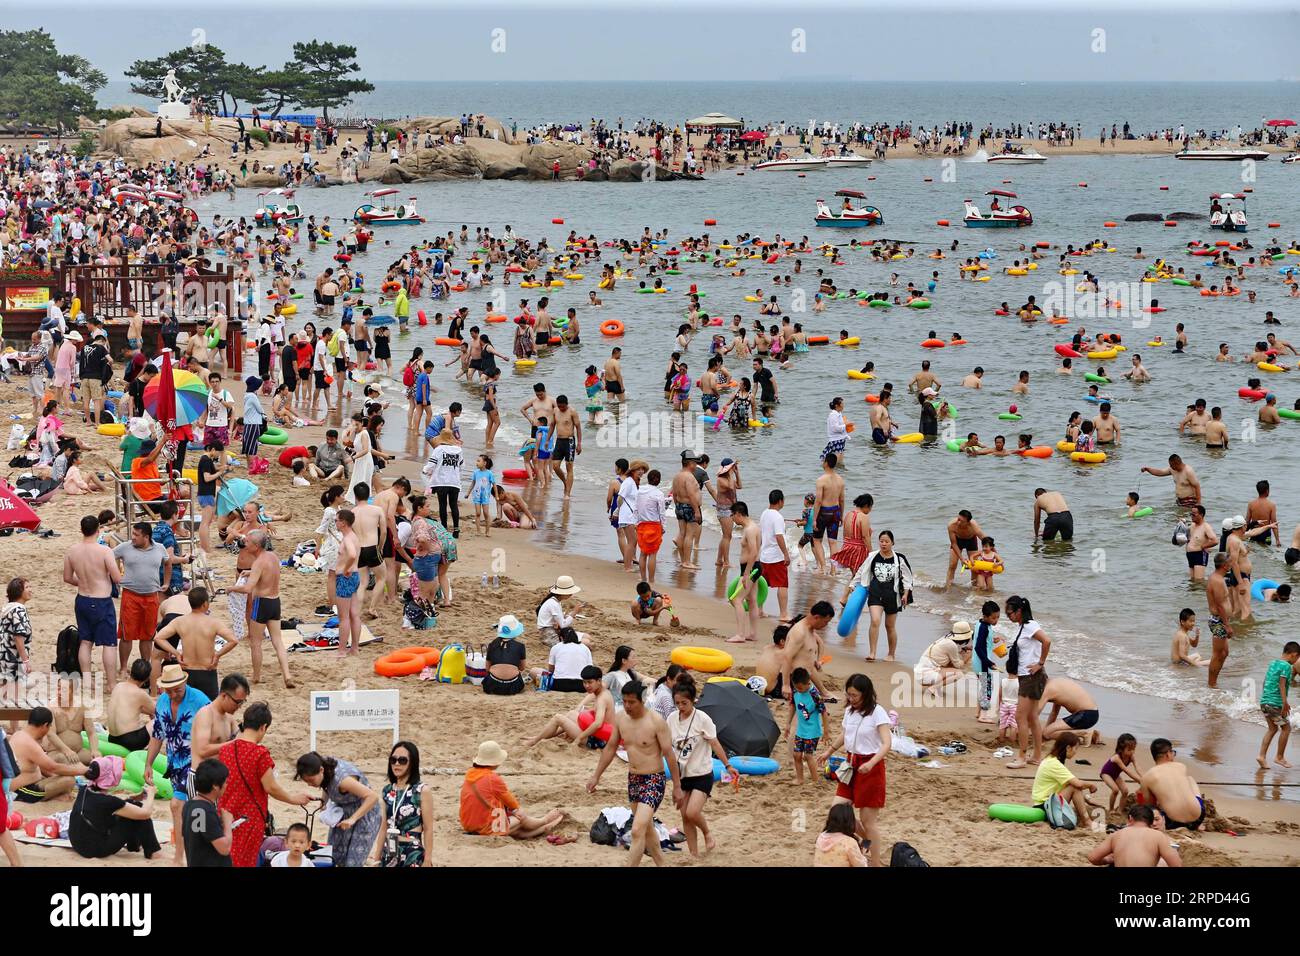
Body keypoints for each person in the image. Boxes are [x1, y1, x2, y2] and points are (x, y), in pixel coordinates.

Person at [586, 681, 679, 867]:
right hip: (633, 779)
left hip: (654, 779)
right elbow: (611, 747)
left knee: (637, 830)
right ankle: (662, 864)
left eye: (632, 702)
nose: (627, 706)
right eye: (625, 701)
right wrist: (596, 775)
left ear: (642, 700)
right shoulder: (621, 719)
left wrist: (677, 786)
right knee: (647, 828)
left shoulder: (656, 722)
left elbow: (669, 754)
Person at [219, 701, 312, 867]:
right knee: (245, 860)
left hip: (225, 814)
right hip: (249, 818)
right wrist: (294, 798)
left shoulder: (226, 749)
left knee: (228, 857)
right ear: (263, 727)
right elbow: (271, 787)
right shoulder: (259, 753)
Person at [817, 673, 891, 867]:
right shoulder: (850, 711)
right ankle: (867, 843)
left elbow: (886, 743)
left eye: (855, 695)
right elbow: (845, 734)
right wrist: (829, 751)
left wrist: (872, 762)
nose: (851, 699)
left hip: (870, 768)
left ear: (866, 694)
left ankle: (875, 862)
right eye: (848, 694)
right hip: (850, 765)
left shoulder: (877, 712)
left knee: (868, 821)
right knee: (837, 810)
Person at [145, 665, 210, 865]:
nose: (173, 694)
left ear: (185, 683)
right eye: (169, 690)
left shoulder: (200, 700)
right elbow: (157, 734)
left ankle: (180, 857)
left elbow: (220, 724)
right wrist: (149, 763)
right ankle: (195, 852)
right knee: (194, 809)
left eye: (177, 690)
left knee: (177, 805)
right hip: (174, 762)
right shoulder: (162, 701)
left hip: (197, 761)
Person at [666, 674, 733, 858]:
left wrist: (727, 765)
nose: (680, 707)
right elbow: (667, 748)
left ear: (693, 701)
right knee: (685, 816)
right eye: (677, 703)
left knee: (693, 812)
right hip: (682, 775)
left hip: (702, 773)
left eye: (684, 703)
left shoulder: (702, 719)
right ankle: (694, 854)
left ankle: (707, 832)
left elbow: (715, 743)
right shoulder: (671, 719)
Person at [229, 529, 295, 688]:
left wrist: (231, 588)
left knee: (255, 642)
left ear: (256, 546)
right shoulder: (273, 557)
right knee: (278, 641)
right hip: (275, 601)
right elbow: (267, 572)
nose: (245, 544)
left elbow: (248, 589)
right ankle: (287, 675)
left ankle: (256, 676)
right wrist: (250, 572)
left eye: (248, 542)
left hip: (262, 604)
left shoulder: (258, 562)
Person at [459, 740, 564, 839]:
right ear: (495, 762)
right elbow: (509, 800)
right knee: (520, 818)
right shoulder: (492, 778)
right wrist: (516, 810)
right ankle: (543, 821)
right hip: (486, 827)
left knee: (514, 828)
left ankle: (542, 829)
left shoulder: (470, 774)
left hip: (469, 825)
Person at [294, 751, 382, 867]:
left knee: (353, 861)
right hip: (343, 812)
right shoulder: (322, 766)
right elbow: (326, 785)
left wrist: (353, 819)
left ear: (321, 770)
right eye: (306, 782)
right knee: (335, 856)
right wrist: (323, 803)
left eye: (311, 780)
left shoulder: (343, 780)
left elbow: (373, 797)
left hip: (365, 813)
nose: (309, 785)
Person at [64, 513, 121, 685]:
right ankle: (111, 684)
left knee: (86, 641)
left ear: (81, 530)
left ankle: (87, 683)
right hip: (101, 600)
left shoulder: (72, 551)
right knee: (109, 644)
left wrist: (82, 581)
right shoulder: (104, 551)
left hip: (82, 598)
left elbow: (67, 577)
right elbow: (117, 578)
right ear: (98, 530)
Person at [69, 755, 162, 861]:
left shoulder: (84, 790)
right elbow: (145, 813)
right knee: (140, 813)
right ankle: (153, 852)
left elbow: (111, 805)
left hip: (78, 844)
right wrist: (151, 793)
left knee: (132, 804)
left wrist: (137, 797)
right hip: (95, 849)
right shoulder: (108, 802)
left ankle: (134, 846)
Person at [113, 520, 170, 678]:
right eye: (133, 534)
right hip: (130, 595)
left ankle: (145, 666)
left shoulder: (160, 548)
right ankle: (123, 668)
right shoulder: (125, 547)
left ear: (146, 537)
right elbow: (109, 556)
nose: (133, 538)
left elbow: (168, 563)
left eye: (136, 535)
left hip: (151, 597)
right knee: (126, 635)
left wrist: (167, 582)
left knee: (147, 635)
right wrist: (116, 575)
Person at [1005, 595, 1050, 769]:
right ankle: (1037, 756)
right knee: (1032, 717)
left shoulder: (1031, 626)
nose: (1009, 616)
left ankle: (1022, 757)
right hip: (1027, 676)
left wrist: (1040, 663)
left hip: (1031, 677)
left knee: (1020, 717)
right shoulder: (1022, 627)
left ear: (1019, 611)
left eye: (1010, 613)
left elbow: (1047, 641)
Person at [373, 740, 435, 867]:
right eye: (393, 760)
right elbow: (383, 828)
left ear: (412, 763)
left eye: (402, 760)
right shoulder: (387, 790)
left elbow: (428, 829)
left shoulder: (421, 790)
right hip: (389, 853)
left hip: (411, 853)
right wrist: (376, 858)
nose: (397, 764)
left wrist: (427, 860)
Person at [854, 530, 914, 662]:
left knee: (889, 626)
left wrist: (905, 594)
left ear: (892, 543)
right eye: (881, 541)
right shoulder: (873, 556)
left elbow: (908, 578)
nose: (884, 544)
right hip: (875, 592)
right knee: (875, 621)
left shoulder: (899, 558)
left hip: (892, 595)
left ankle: (891, 654)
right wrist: (852, 587)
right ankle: (872, 653)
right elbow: (861, 571)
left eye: (887, 541)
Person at [8, 707, 85, 804]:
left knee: (60, 759)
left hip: (23, 784)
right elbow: (53, 767)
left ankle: (56, 795)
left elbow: (42, 766)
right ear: (45, 726)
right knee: (69, 780)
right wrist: (84, 770)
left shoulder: (18, 734)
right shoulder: (30, 744)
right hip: (22, 791)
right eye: (49, 727)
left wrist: (55, 776)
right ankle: (54, 796)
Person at [1032, 733, 1102, 824]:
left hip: (1045, 804)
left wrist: (1087, 799)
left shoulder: (1051, 760)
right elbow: (1078, 784)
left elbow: (1067, 784)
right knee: (1074, 787)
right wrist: (1091, 785)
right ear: (1068, 748)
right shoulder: (1054, 764)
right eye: (1075, 748)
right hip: (1045, 807)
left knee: (1073, 785)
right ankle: (1087, 822)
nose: (1076, 752)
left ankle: (1086, 820)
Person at [1138, 738, 1206, 831]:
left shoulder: (1147, 777)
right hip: (1198, 818)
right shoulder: (1181, 766)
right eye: (1173, 752)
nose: (1173, 755)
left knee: (1158, 795)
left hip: (1171, 823)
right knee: (1190, 779)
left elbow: (1151, 807)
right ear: (1168, 754)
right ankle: (1198, 825)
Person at [1087, 805, 1182, 867]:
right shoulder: (1158, 836)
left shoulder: (1116, 835)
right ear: (1150, 821)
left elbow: (1093, 858)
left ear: (1130, 818)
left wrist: (1108, 859)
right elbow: (1176, 865)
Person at [1257, 641, 1300, 770]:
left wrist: (1265, 698)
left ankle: (1261, 756)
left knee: (1272, 729)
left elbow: (1265, 682)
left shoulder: (1273, 663)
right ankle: (1279, 757)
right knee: (1286, 729)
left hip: (1265, 702)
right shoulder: (1287, 666)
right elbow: (1282, 684)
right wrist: (1284, 702)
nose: (1297, 661)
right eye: (1297, 658)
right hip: (1275, 703)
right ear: (1293, 655)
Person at [184, 758, 233, 867]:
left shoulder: (189, 805)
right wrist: (228, 823)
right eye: (225, 782)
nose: (226, 785)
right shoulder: (206, 811)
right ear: (215, 786)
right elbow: (224, 848)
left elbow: (200, 835)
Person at [785, 667, 825, 785]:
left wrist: (827, 731)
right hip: (800, 730)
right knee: (796, 755)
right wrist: (788, 723)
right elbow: (793, 706)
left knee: (808, 756)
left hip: (812, 731)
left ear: (808, 683)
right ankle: (800, 778)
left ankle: (815, 780)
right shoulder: (796, 691)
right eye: (796, 687)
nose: (798, 690)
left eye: (801, 688)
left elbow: (823, 711)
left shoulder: (814, 694)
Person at [105, 659, 156, 752]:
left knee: (142, 709)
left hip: (112, 738)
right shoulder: (140, 693)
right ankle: (152, 748)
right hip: (130, 741)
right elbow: (158, 710)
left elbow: (134, 705)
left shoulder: (118, 686)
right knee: (160, 720)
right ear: (146, 679)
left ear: (131, 672)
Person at [914, 621, 973, 696]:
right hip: (925, 675)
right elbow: (958, 665)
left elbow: (950, 651)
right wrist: (967, 657)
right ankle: (933, 688)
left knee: (951, 666)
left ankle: (932, 685)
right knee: (959, 674)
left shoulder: (946, 639)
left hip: (921, 673)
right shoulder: (951, 645)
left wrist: (962, 649)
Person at [759, 489, 792, 621]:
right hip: (775, 557)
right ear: (780, 501)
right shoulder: (777, 516)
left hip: (764, 555)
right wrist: (786, 554)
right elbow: (779, 536)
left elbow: (762, 533)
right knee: (783, 584)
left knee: (761, 584)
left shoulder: (764, 513)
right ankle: (783, 614)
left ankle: (760, 610)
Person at [1039, 676, 1101, 744]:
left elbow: (1034, 715)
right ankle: (1091, 735)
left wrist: (1045, 734)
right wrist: (1047, 730)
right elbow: (1054, 712)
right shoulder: (1056, 682)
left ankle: (1084, 733)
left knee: (1047, 733)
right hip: (1091, 714)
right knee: (1048, 732)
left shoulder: (1048, 689)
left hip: (1085, 715)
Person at [482, 614, 529, 695]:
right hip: (514, 685)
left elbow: (487, 668)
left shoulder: (491, 645)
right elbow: (522, 668)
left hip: (492, 684)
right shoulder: (520, 646)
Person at [536, 575, 586, 647]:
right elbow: (563, 625)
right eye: (569, 592)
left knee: (587, 637)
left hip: (553, 630)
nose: (571, 594)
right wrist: (574, 612)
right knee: (587, 642)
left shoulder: (555, 601)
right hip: (549, 634)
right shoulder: (554, 603)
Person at [1100, 733, 1144, 813]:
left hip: (1115, 774)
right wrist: (1139, 781)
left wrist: (1143, 778)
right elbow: (1127, 771)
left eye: (1133, 749)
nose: (1132, 752)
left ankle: (1120, 810)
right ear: (1121, 748)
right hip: (1106, 773)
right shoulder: (1117, 757)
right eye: (1129, 749)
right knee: (1115, 790)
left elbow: (1137, 767)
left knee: (1125, 791)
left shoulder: (1131, 757)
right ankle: (1111, 809)